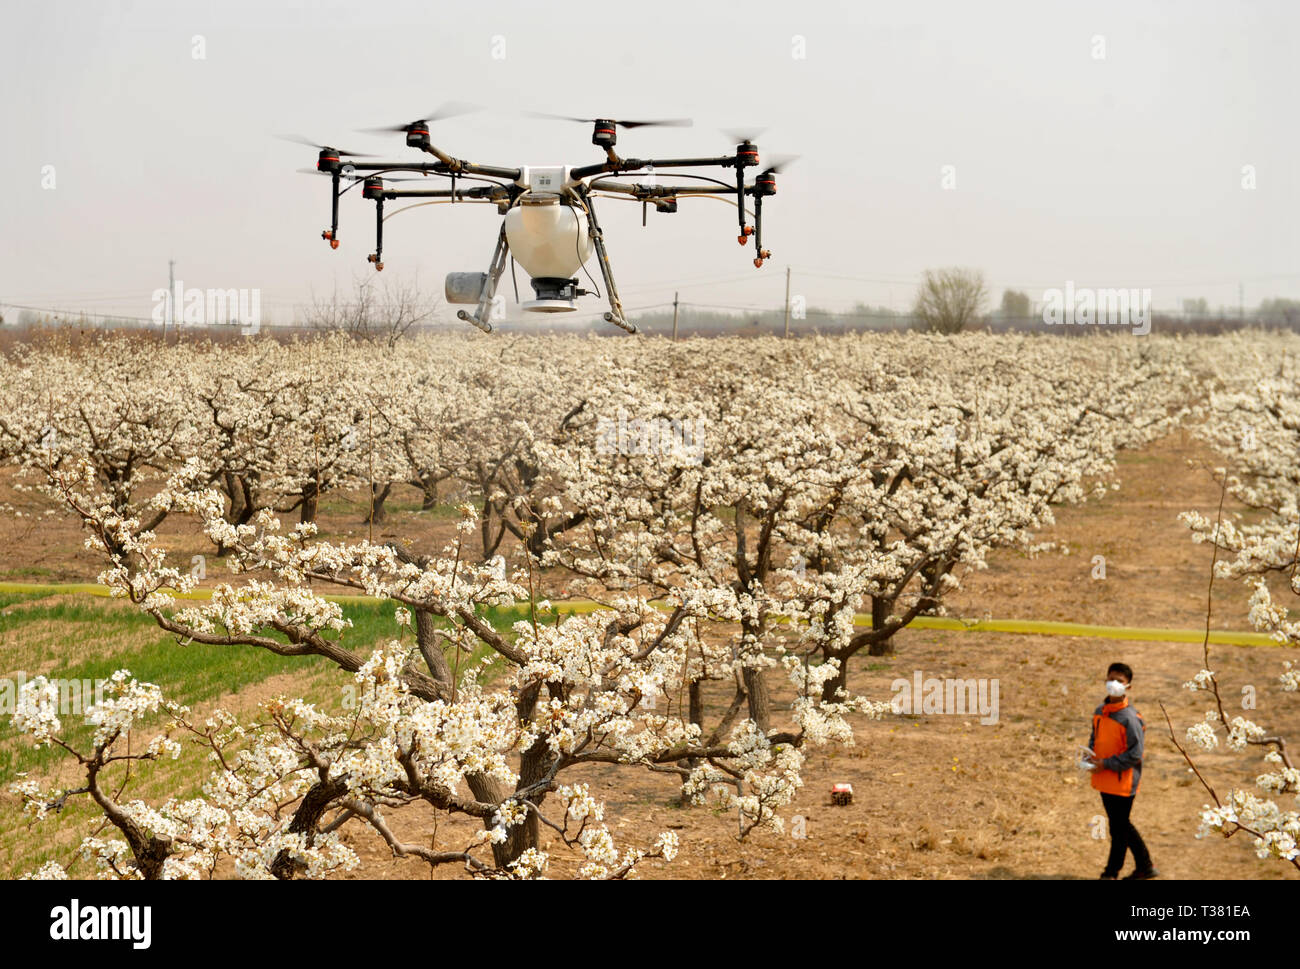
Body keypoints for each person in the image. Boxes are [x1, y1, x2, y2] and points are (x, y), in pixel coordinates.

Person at [1087, 662, 1159, 880]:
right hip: (1104, 779)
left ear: (1129, 686)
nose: (1114, 684)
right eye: (1111, 679)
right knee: (1120, 825)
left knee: (1118, 829)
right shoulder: (1100, 712)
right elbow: (1095, 738)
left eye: (1120, 681)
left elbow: (1135, 755)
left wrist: (1106, 764)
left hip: (1123, 782)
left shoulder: (1130, 719)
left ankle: (1111, 873)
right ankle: (1145, 867)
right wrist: (1089, 753)